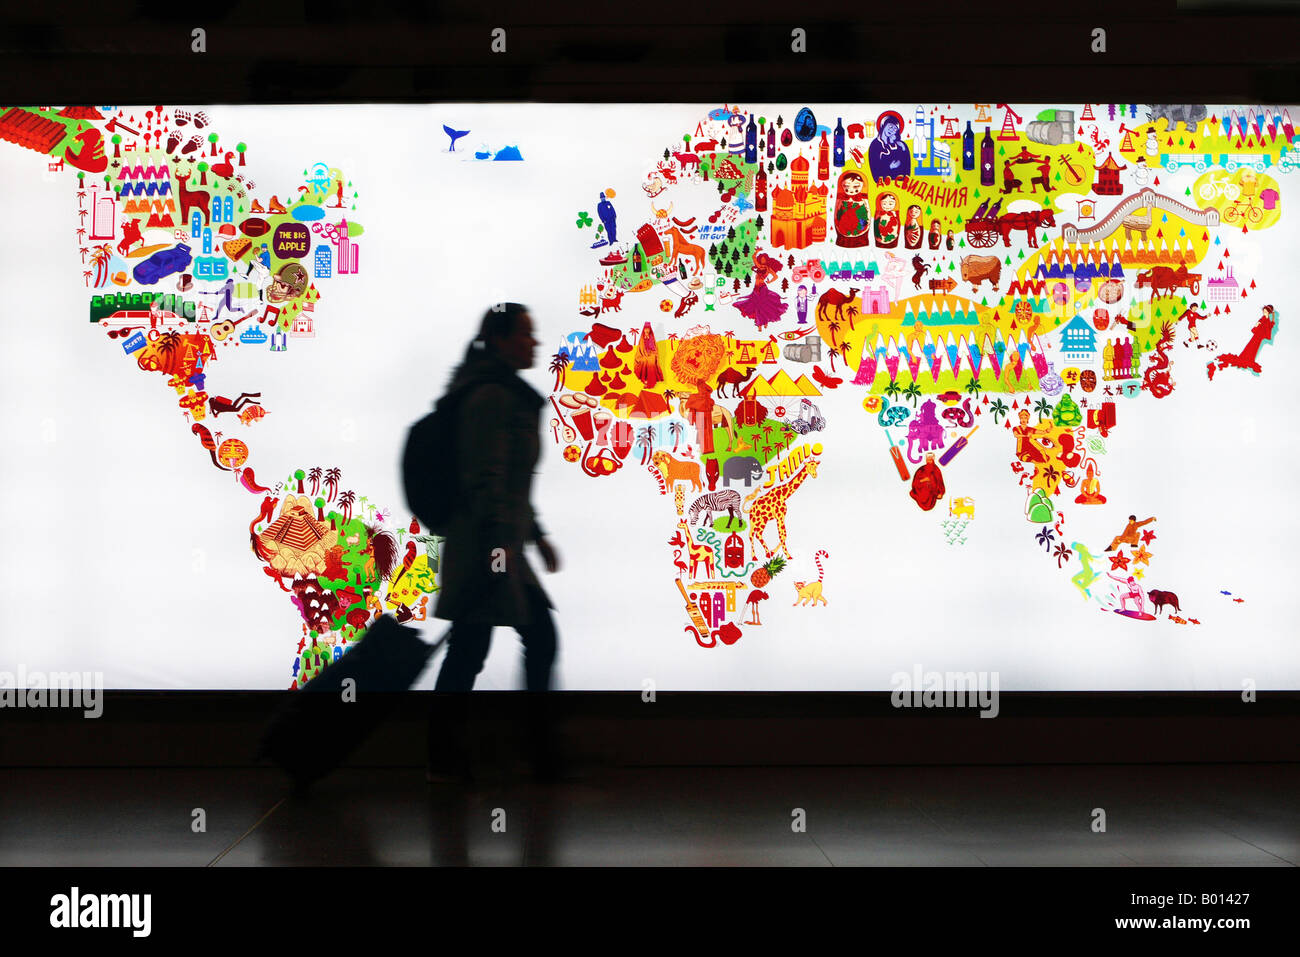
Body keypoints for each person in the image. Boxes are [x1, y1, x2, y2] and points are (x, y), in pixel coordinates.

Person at [428, 303, 563, 782]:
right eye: (526, 335)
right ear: (502, 341)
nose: (535, 343)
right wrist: (501, 553)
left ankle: (454, 759)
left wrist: (536, 536)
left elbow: (510, 484)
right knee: (491, 643)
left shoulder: (496, 391)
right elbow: (488, 482)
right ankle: (533, 756)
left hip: (494, 545)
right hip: (489, 548)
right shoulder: (491, 397)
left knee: (474, 646)